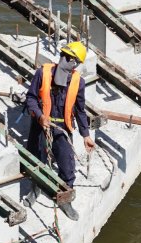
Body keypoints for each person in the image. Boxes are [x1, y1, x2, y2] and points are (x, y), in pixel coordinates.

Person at [25, 41, 95, 219]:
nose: (65, 60)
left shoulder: (78, 82)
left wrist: (86, 135)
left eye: (70, 59)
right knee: (37, 160)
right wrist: (40, 116)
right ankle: (36, 189)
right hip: (41, 126)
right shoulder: (43, 73)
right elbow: (31, 98)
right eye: (64, 56)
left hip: (62, 128)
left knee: (67, 165)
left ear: (76, 64)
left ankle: (65, 200)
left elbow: (79, 110)